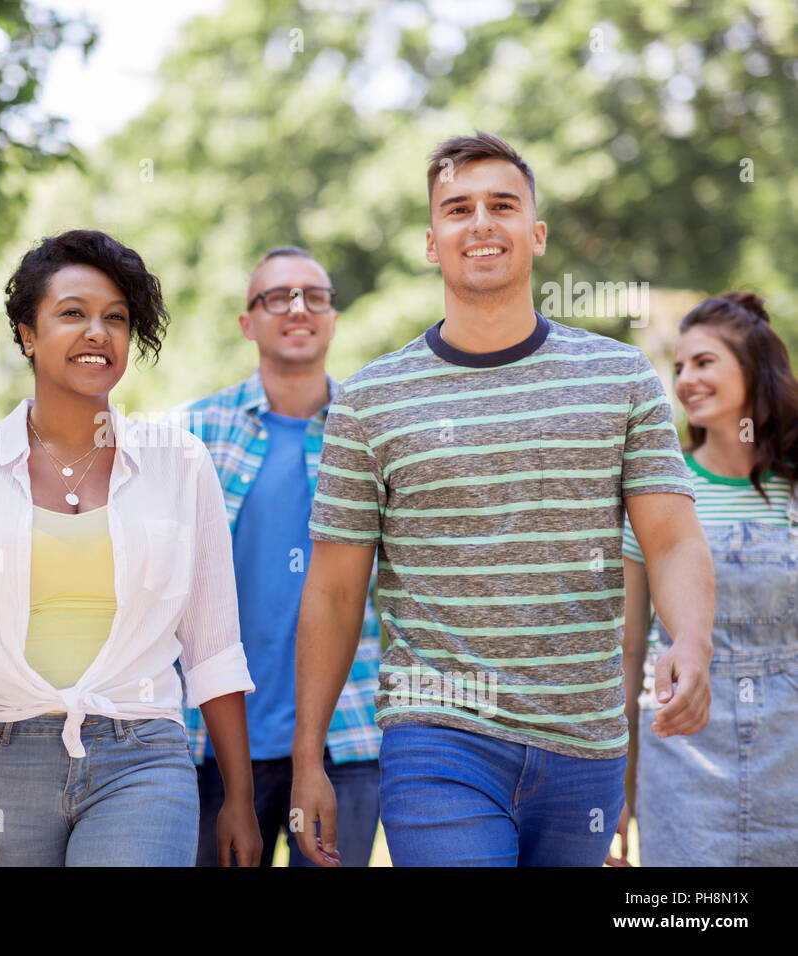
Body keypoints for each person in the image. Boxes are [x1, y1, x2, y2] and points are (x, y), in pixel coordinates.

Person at [291, 131, 715, 867]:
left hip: (584, 741)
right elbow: (331, 592)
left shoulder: (620, 379)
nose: (480, 222)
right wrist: (307, 760)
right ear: (432, 242)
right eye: (458, 208)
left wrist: (692, 640)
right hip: (437, 736)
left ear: (536, 233)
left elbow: (672, 538)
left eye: (502, 205)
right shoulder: (368, 401)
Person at [0, 229, 261, 867]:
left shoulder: (179, 462)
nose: (98, 332)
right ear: (27, 333)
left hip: (141, 752)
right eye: (73, 313)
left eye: (116, 319)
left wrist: (239, 797)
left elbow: (214, 644)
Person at [179, 246, 382, 867]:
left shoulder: (372, 432)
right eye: (277, 297)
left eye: (314, 296)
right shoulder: (194, 433)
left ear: (333, 317)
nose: (298, 309)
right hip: (214, 743)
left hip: (346, 740)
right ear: (248, 322)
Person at [613, 291, 798, 866]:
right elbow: (627, 647)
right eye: (679, 368)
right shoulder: (659, 497)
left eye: (704, 362)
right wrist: (617, 784)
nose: (686, 379)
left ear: (753, 372)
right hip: (682, 757)